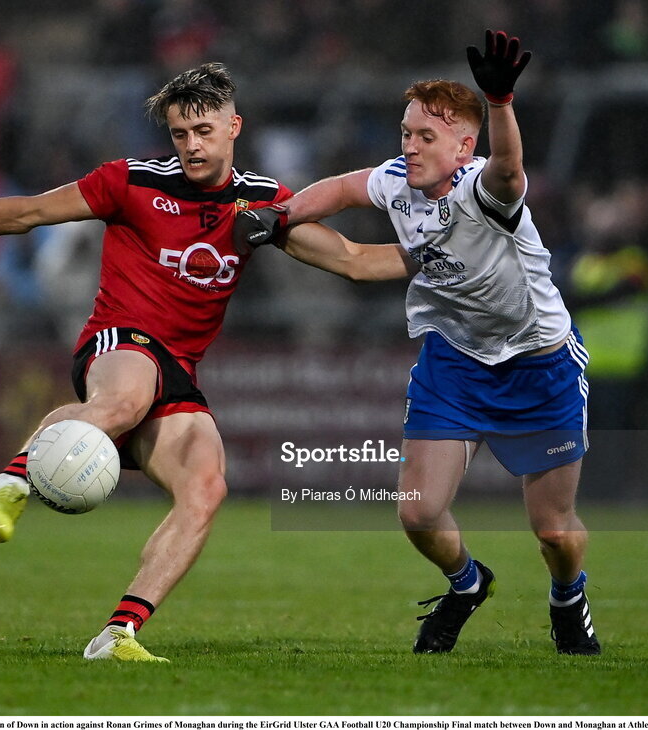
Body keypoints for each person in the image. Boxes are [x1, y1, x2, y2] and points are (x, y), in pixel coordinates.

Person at [0, 62, 405, 663]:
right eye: (180, 133)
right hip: (120, 338)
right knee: (125, 398)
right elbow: (28, 212)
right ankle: (9, 481)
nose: (192, 145)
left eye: (204, 131)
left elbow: (353, 259)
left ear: (233, 127)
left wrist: (451, 253)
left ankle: (117, 636)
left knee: (206, 487)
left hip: (181, 370)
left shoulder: (262, 206)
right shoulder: (130, 183)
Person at [237, 31, 601, 655]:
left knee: (554, 533)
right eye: (406, 133)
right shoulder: (397, 181)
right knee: (417, 512)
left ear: (465, 147)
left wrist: (500, 100)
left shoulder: (483, 189)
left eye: (425, 137)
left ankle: (568, 598)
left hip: (539, 366)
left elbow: (511, 166)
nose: (409, 147)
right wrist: (284, 216)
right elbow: (349, 189)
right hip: (455, 359)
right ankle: (466, 585)